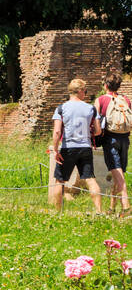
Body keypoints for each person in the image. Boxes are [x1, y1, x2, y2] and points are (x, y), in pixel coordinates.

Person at [50, 78, 102, 214]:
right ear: (80, 91)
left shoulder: (61, 108)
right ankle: (99, 211)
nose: (85, 94)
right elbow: (98, 131)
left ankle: (57, 212)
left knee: (59, 181)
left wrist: (55, 150)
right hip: (85, 147)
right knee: (90, 180)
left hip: (68, 148)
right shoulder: (91, 108)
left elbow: (56, 131)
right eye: (85, 91)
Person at [97, 73, 131, 216]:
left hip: (110, 139)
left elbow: (95, 121)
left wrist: (95, 138)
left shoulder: (101, 100)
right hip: (125, 139)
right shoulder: (126, 100)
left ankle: (126, 206)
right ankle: (112, 208)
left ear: (105, 85)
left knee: (117, 173)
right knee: (119, 174)